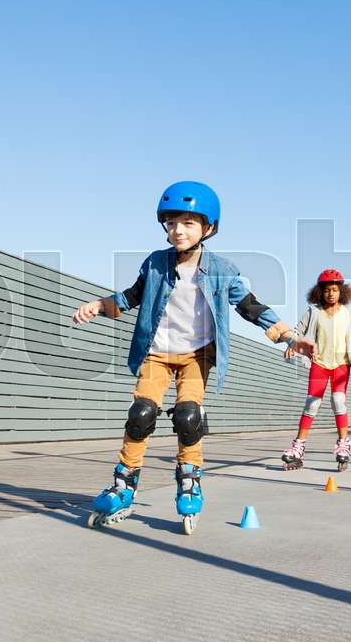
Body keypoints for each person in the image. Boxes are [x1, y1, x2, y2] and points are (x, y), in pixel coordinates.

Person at [72, 181, 299, 533]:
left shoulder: (221, 269)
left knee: (188, 416)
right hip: (156, 353)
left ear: (208, 228)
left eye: (189, 223)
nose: (179, 230)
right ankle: (123, 483)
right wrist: (99, 306)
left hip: (197, 356)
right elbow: (132, 296)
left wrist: (286, 334)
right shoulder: (156, 263)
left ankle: (190, 480)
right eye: (173, 222)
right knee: (141, 413)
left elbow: (248, 305)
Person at [281, 269, 351, 470]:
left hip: (341, 365)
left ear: (341, 292)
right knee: (312, 404)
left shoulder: (349, 314)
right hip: (319, 364)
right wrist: (292, 345)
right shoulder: (313, 312)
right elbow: (296, 332)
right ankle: (298, 446)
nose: (331, 294)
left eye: (335, 290)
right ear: (320, 292)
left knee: (338, 401)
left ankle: (343, 444)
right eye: (327, 290)